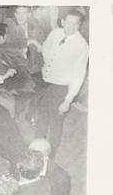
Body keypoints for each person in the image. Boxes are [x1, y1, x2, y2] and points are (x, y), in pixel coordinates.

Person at [33, 9, 88, 154]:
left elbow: (78, 76)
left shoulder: (81, 45)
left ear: (79, 25)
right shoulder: (55, 33)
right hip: (46, 81)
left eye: (75, 24)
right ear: (62, 22)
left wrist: (68, 101)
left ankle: (52, 153)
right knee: (42, 115)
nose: (72, 27)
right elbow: (46, 48)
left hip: (62, 87)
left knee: (56, 119)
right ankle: (37, 151)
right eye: (69, 23)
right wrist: (46, 64)